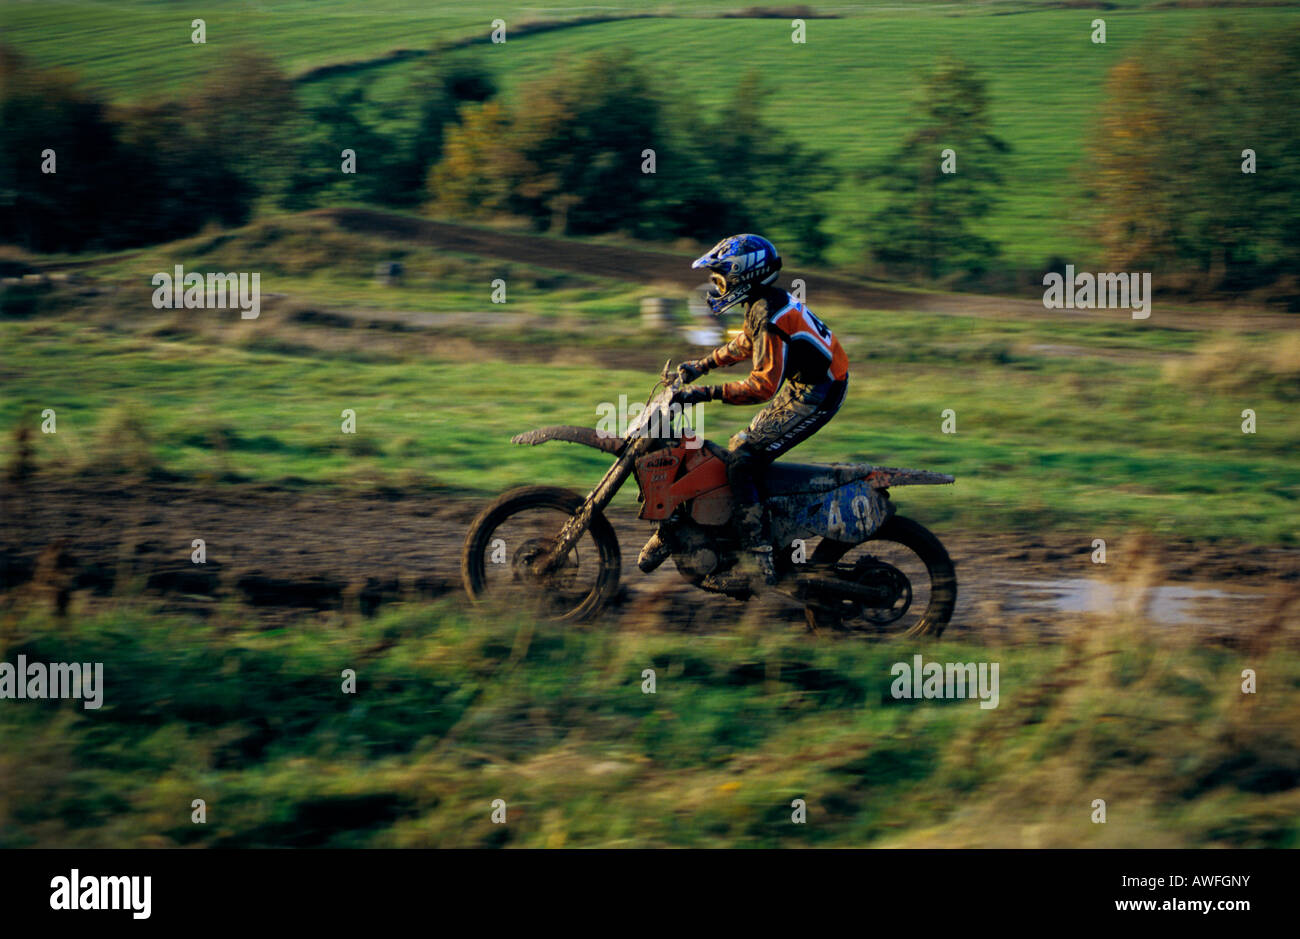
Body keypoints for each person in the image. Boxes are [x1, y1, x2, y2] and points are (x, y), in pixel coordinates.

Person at [674, 234, 849, 585]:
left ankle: (759, 558)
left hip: (820, 390)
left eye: (721, 277)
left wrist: (703, 393)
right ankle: (760, 531)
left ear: (744, 275)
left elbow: (762, 388)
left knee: (742, 462)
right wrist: (702, 364)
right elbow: (744, 343)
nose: (717, 286)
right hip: (806, 384)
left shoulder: (769, 314)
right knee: (739, 449)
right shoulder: (761, 304)